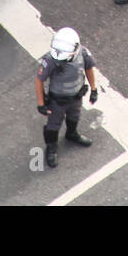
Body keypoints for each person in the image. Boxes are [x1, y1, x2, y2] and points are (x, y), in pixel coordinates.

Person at [34, 27, 98, 168]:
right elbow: (39, 80)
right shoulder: (50, 59)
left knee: (74, 116)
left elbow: (88, 68)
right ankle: (51, 148)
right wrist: (41, 104)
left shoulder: (83, 53)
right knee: (53, 126)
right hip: (57, 101)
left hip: (76, 96)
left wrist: (93, 89)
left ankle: (71, 134)